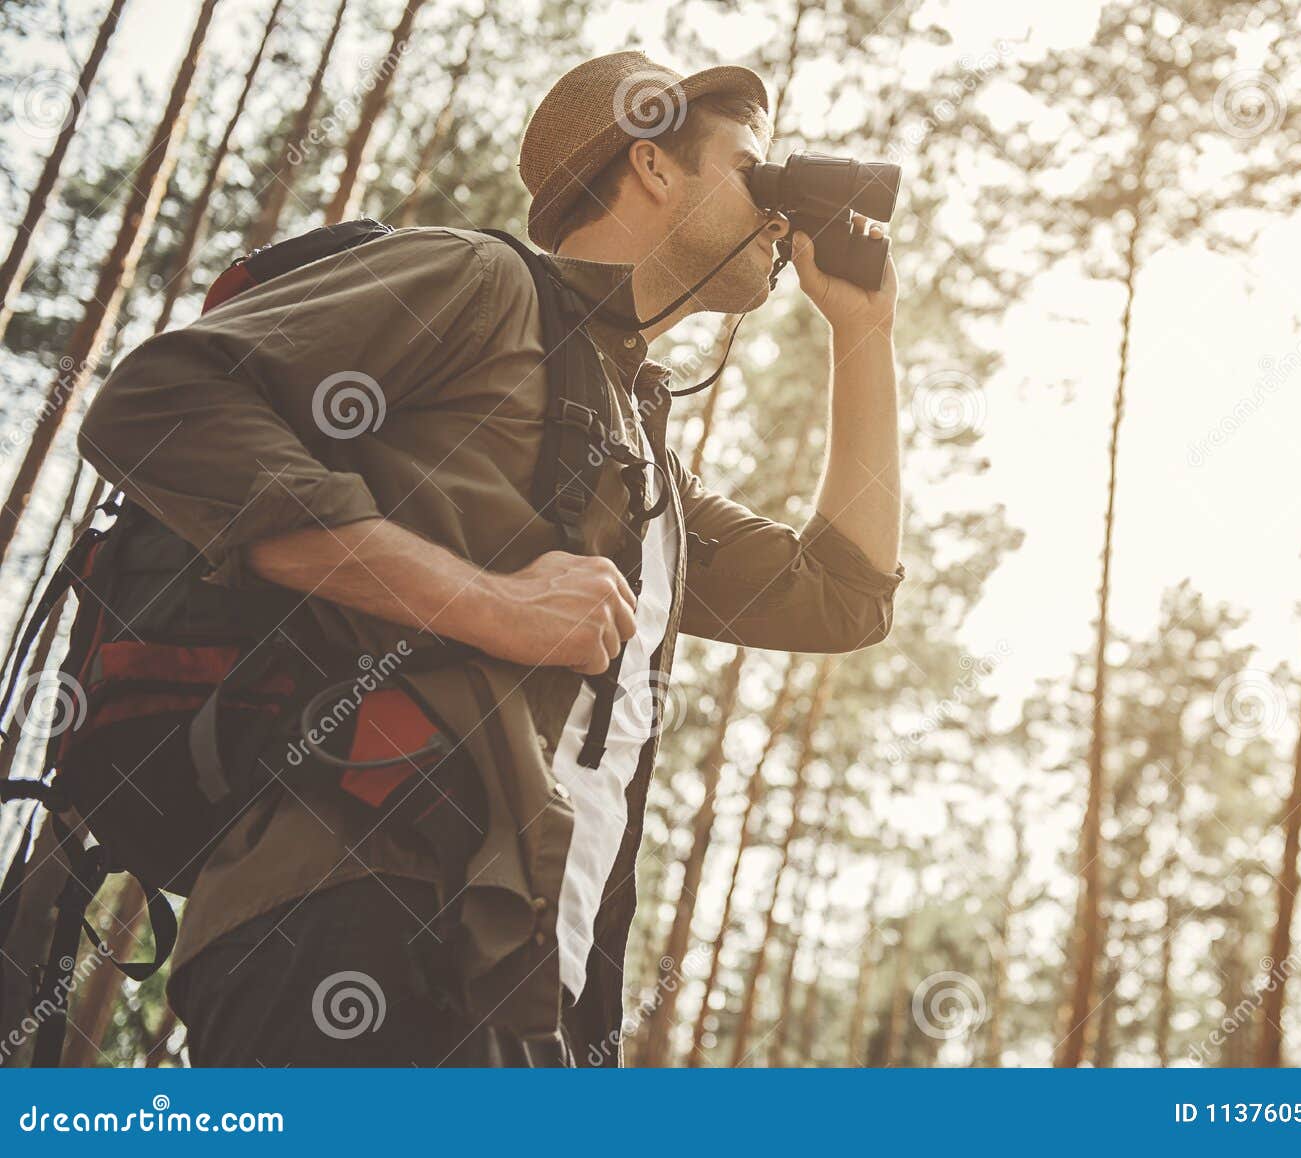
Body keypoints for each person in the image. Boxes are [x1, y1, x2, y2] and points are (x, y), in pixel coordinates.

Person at [75, 50, 904, 1067]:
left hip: (527, 981)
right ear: (653, 167)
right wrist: (484, 603)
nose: (781, 213)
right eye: (753, 170)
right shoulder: (480, 282)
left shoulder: (638, 452)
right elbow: (159, 405)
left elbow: (844, 597)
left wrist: (865, 331)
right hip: (355, 921)